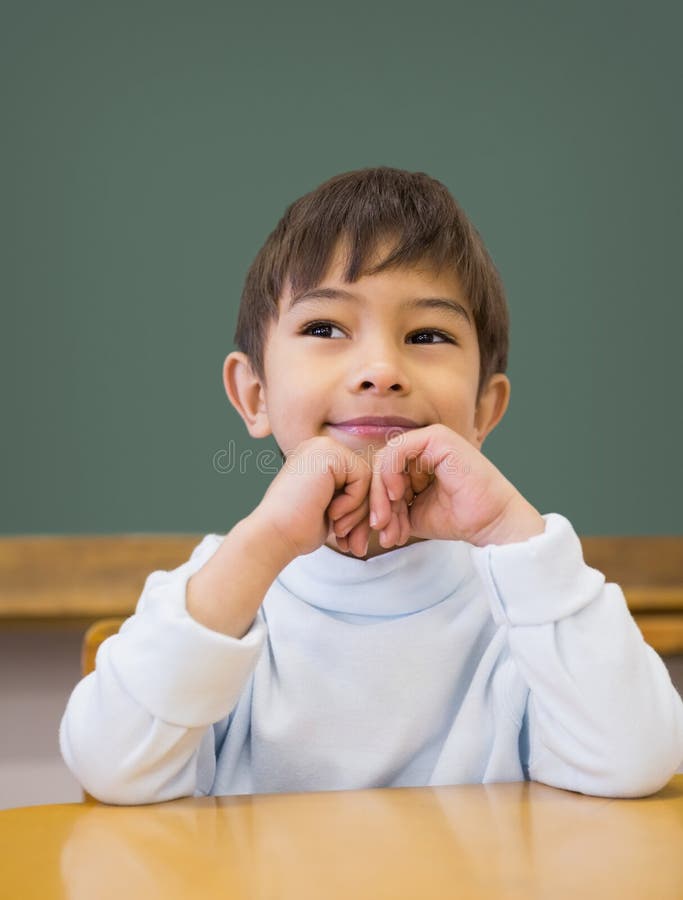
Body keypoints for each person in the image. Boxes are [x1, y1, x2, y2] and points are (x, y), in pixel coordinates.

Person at [60, 167, 683, 805]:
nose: (381, 370)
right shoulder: (220, 590)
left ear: (483, 412)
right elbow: (111, 768)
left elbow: (637, 762)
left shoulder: (528, 605)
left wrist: (511, 533)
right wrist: (264, 541)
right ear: (255, 395)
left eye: (428, 336)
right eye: (325, 328)